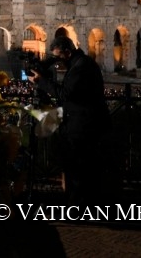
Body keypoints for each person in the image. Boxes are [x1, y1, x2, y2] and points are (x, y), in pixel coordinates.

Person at [27, 35, 112, 206]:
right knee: (78, 167)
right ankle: (80, 204)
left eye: (58, 57)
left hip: (83, 126)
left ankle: (79, 205)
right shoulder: (80, 63)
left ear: (67, 52)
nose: (57, 61)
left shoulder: (81, 66)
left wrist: (42, 82)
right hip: (82, 123)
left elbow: (66, 94)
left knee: (79, 168)